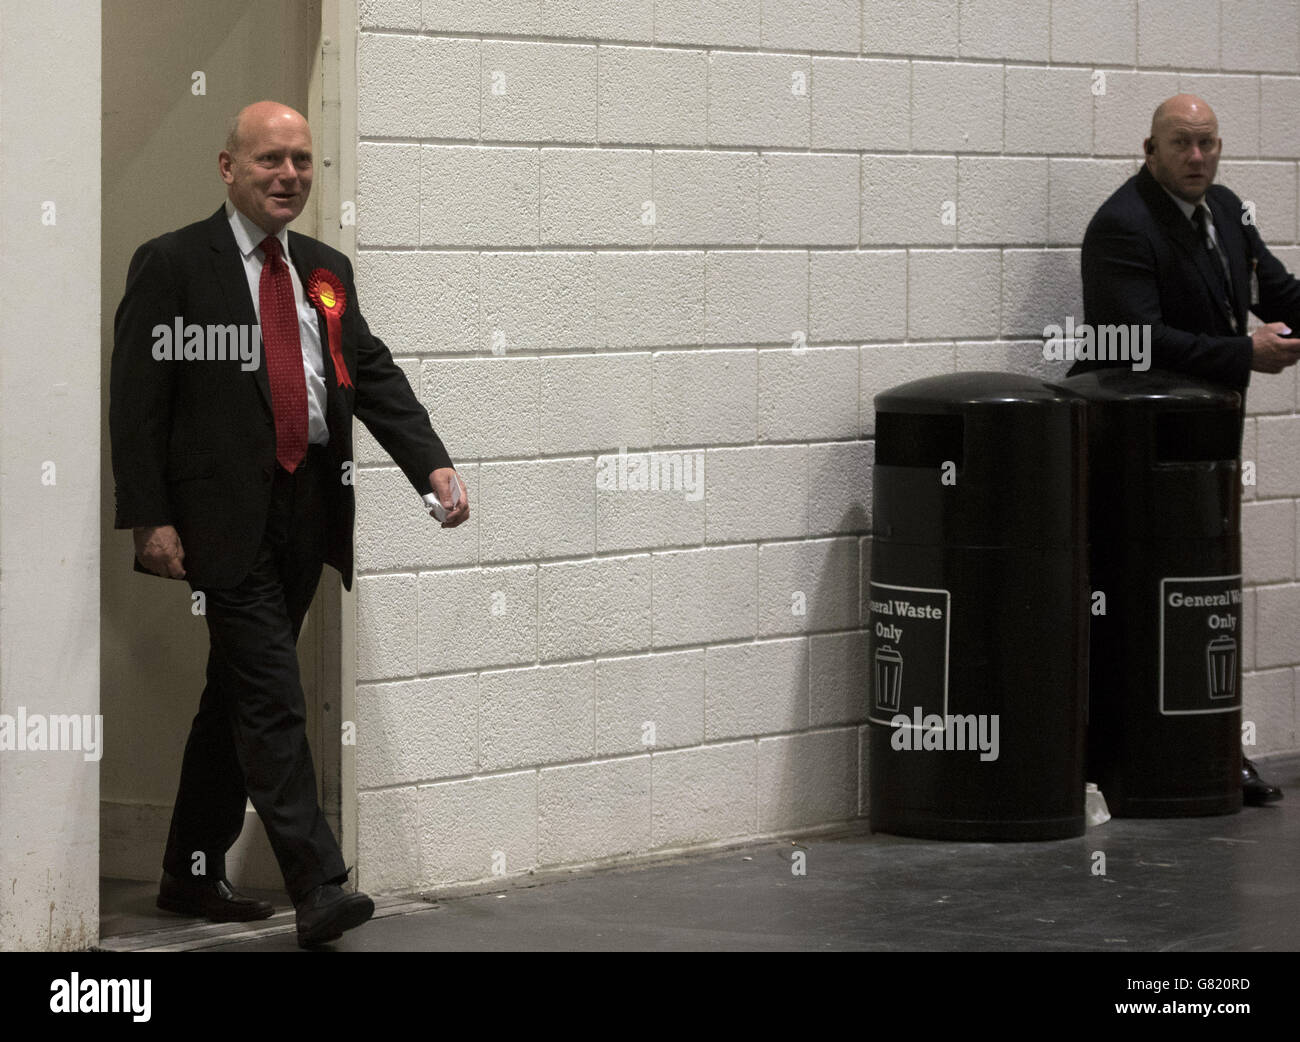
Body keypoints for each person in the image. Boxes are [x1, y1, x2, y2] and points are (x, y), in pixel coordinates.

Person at [109, 100, 469, 947]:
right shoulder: (172, 265)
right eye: (270, 160)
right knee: (272, 695)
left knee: (233, 693)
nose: (289, 176)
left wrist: (433, 463)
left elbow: (368, 375)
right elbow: (138, 403)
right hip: (220, 517)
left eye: (302, 161)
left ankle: (187, 874)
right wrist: (148, 518)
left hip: (308, 508)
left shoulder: (323, 269)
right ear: (228, 167)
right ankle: (319, 885)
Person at [1067, 93, 1300, 805]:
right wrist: (1242, 352)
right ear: (1150, 150)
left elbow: (1280, 293)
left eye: (1208, 143)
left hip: (1206, 439)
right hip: (1135, 448)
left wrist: (1270, 334)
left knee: (1204, 597)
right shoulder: (1122, 226)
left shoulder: (1227, 212)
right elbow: (1135, 341)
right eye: (1181, 145)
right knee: (1143, 599)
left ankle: (1209, 750)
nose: (1197, 157)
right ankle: (1133, 754)